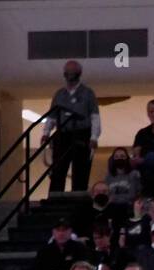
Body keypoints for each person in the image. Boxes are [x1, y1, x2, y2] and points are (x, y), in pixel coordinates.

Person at [42, 60, 100, 193]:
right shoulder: (59, 94)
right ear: (64, 74)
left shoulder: (88, 93)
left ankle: (78, 199)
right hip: (63, 134)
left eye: (73, 72)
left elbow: (95, 117)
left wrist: (94, 137)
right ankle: (55, 198)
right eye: (68, 72)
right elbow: (52, 116)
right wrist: (46, 133)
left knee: (80, 169)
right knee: (58, 168)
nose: (70, 75)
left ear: (79, 74)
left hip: (82, 134)